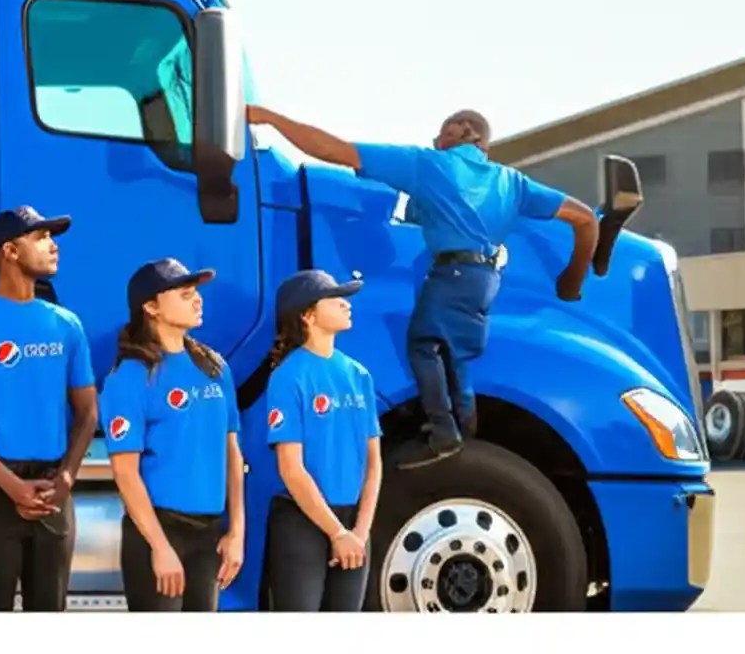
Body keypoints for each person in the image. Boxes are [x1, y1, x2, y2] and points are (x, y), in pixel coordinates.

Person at [247, 105, 600, 468]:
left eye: (444, 130)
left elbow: (335, 150)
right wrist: (572, 280)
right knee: (455, 355)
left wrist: (273, 119)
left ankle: (443, 432)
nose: (437, 138)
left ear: (466, 131)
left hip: (453, 274)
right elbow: (585, 219)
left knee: (423, 343)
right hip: (486, 281)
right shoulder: (512, 182)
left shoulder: (430, 165)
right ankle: (465, 431)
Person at [0, 205, 98, 612]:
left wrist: (66, 476)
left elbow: (87, 412)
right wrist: (12, 486)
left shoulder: (67, 325)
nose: (53, 245)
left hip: (51, 489)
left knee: (50, 613)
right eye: (41, 237)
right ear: (9, 250)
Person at [98, 258, 245, 612]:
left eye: (196, 293)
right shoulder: (131, 377)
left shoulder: (213, 367)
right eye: (185, 294)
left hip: (209, 534)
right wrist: (160, 548)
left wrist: (236, 531)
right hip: (160, 532)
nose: (197, 300)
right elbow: (125, 472)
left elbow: (232, 453)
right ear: (151, 307)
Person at [264, 269, 383, 612]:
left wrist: (359, 531)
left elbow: (374, 463)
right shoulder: (289, 376)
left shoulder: (358, 375)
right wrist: (336, 533)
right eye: (336, 298)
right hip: (302, 521)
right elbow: (291, 468)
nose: (347, 304)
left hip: (354, 524)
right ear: (307, 314)